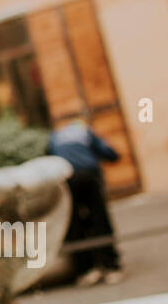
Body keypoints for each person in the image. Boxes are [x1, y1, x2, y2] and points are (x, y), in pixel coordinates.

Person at [47, 116, 125, 287]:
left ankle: (86, 270)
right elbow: (109, 152)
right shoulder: (85, 131)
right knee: (100, 219)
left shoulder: (55, 135)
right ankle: (111, 266)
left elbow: (51, 158)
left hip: (67, 180)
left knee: (73, 224)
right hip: (89, 177)